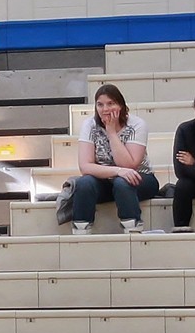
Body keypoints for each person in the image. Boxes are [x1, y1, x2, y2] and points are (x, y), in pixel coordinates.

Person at [67, 84, 159, 234]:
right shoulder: (89, 125)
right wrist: (117, 171)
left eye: (111, 103)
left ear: (121, 106)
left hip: (140, 178)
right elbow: (85, 166)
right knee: (83, 183)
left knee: (123, 182)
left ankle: (132, 228)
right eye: (100, 104)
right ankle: (81, 231)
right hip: (105, 179)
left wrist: (111, 132)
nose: (105, 109)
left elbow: (129, 165)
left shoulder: (137, 124)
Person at [173, 96, 195, 233]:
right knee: (182, 185)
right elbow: (180, 169)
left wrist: (193, 163)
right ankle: (180, 229)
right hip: (192, 181)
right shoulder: (185, 130)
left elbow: (188, 168)